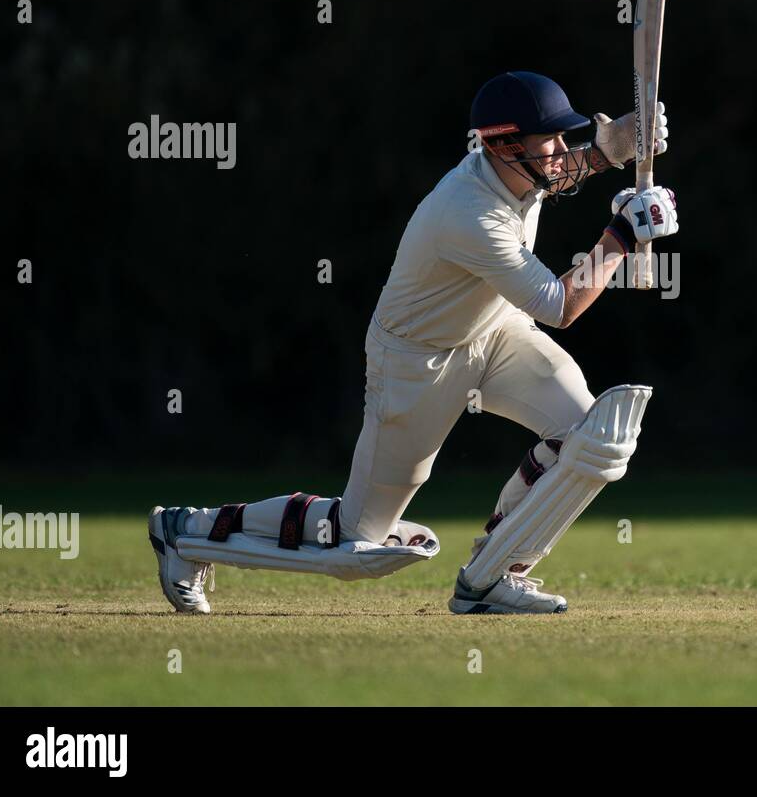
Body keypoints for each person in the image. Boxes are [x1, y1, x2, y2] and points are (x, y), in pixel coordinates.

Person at [147, 71, 678, 615]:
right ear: (504, 145)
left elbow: (560, 170)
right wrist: (620, 237)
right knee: (356, 541)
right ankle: (185, 532)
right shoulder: (468, 212)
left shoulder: (521, 172)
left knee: (592, 438)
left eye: (568, 138)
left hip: (495, 333)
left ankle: (494, 575)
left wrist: (610, 151)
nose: (564, 151)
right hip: (416, 360)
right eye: (553, 139)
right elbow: (559, 308)